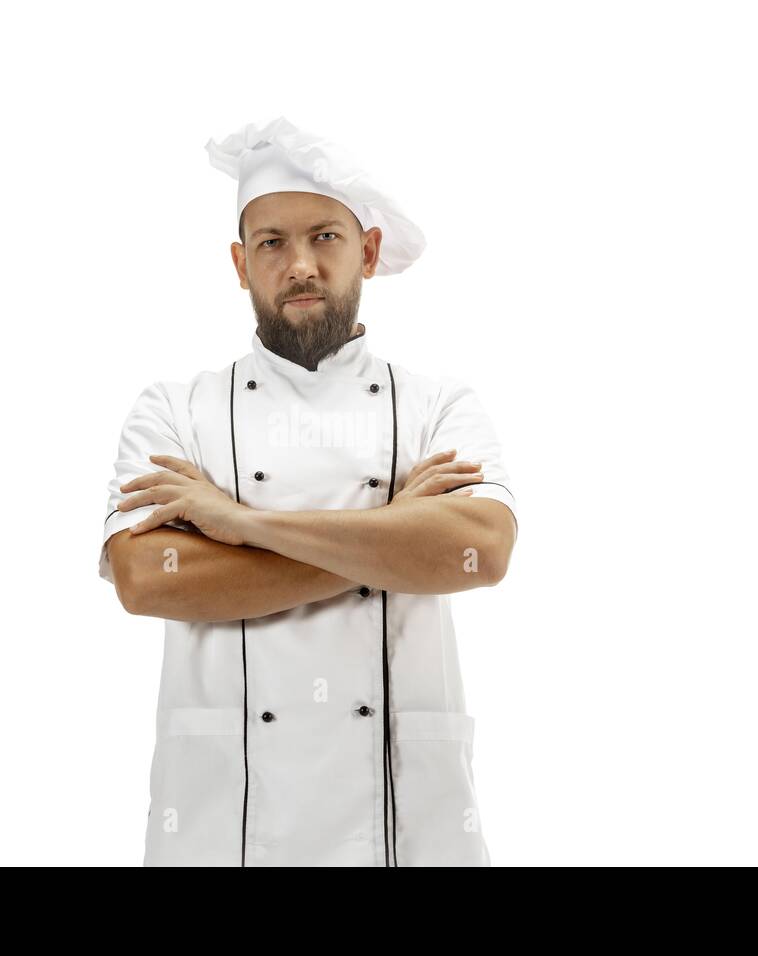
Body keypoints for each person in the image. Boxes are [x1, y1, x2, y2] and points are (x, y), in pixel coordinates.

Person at [99, 116, 519, 866]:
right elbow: (142, 579)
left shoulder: (438, 406)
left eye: (325, 236)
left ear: (369, 251)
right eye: (272, 242)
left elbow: (478, 551)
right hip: (222, 831)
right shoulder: (174, 411)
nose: (300, 265)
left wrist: (235, 523)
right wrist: (393, 534)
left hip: (405, 833)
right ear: (239, 262)